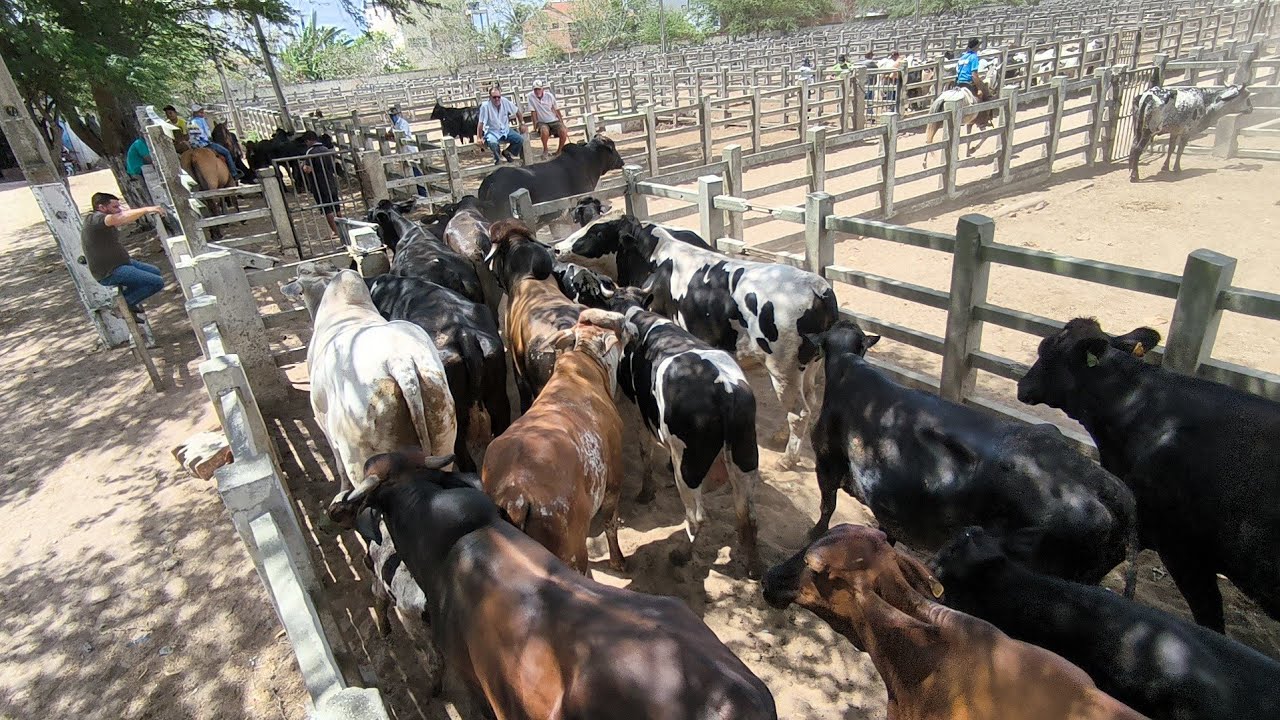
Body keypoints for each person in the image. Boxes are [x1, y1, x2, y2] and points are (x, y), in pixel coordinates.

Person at [81, 192, 166, 315]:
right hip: (110, 271)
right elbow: (122, 218)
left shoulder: (102, 219)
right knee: (156, 282)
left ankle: (130, 301)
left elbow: (124, 217)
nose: (119, 210)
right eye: (115, 207)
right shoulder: (97, 219)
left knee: (155, 271)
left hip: (120, 264)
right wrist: (147, 209)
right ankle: (122, 306)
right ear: (102, 207)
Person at [300, 131, 342, 237]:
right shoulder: (326, 149)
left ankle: (336, 231)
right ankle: (342, 228)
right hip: (331, 181)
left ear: (308, 141)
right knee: (336, 206)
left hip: (319, 184)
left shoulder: (310, 152)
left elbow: (308, 169)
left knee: (326, 208)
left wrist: (303, 166)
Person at [186, 106, 242, 179]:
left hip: (193, 146)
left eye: (202, 112)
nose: (202, 113)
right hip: (204, 144)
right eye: (200, 112)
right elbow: (205, 134)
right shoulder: (200, 120)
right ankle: (234, 173)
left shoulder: (189, 122)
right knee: (226, 152)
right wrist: (209, 139)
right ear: (195, 113)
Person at [476, 87, 525, 166]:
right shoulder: (485, 106)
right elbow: (481, 122)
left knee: (519, 139)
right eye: (494, 97)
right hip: (492, 131)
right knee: (493, 143)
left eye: (498, 97)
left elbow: (517, 111)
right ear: (490, 97)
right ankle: (498, 159)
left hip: (505, 130)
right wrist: (479, 137)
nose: (497, 99)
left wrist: (522, 123)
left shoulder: (505, 101)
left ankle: (507, 152)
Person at [387, 105, 428, 198]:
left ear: (398, 115)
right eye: (391, 116)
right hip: (403, 152)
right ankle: (416, 193)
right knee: (409, 172)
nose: (392, 117)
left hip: (409, 151)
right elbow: (390, 134)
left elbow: (402, 135)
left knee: (416, 171)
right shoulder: (394, 125)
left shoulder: (403, 123)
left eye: (393, 115)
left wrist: (392, 134)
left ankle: (423, 192)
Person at [526, 80, 569, 159]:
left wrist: (561, 122)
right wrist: (534, 126)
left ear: (542, 89)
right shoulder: (531, 97)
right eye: (535, 89)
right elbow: (533, 113)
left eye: (539, 89)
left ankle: (559, 151)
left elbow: (556, 109)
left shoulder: (549, 96)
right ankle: (545, 150)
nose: (537, 91)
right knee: (544, 131)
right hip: (542, 122)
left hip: (553, 120)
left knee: (563, 131)